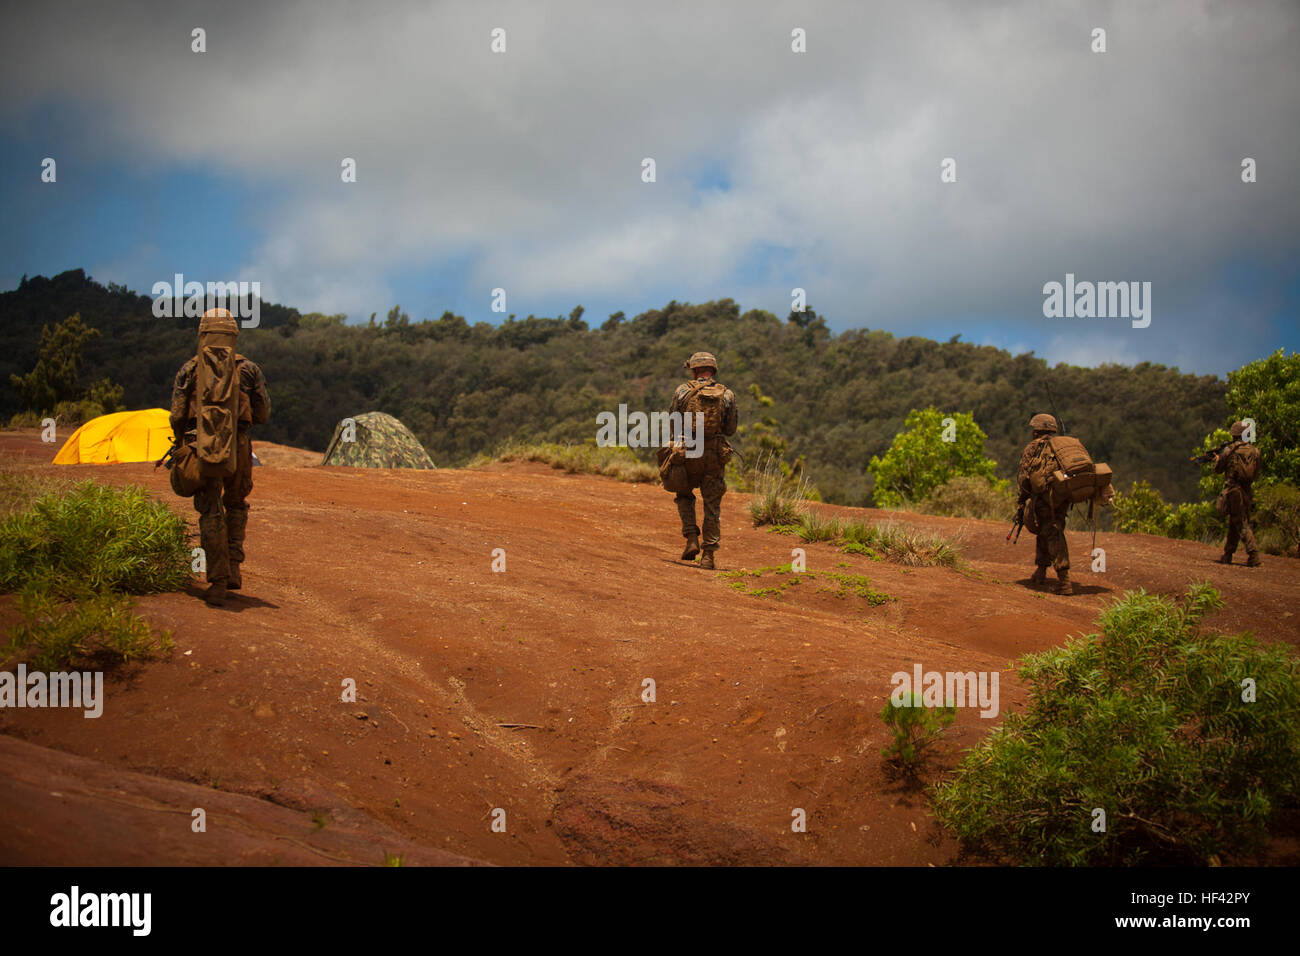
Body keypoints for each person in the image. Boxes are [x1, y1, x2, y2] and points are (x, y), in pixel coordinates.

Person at [169, 308, 271, 605]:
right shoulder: (250, 369)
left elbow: (177, 415)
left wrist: (182, 443)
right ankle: (235, 566)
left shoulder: (189, 369)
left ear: (201, 334)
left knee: (211, 510)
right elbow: (263, 413)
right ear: (234, 336)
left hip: (202, 446)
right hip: (239, 447)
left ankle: (218, 580)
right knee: (236, 503)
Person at [669, 351, 737, 570]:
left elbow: (673, 423)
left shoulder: (682, 391)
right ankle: (708, 556)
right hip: (714, 455)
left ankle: (691, 538)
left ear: (694, 370)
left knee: (684, 494)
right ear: (713, 370)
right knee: (712, 505)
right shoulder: (727, 394)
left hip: (688, 450)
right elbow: (730, 429)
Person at [1016, 412, 1074, 595]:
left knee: (1052, 533)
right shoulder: (1062, 449)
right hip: (1062, 498)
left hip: (1043, 499)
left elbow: (1025, 478)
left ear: (1036, 431)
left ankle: (1064, 581)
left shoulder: (1033, 448)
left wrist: (1022, 500)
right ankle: (1041, 571)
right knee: (1047, 530)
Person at [1214, 420, 1262, 567]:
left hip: (1234, 490)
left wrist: (1217, 459)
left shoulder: (1230, 450)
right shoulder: (1255, 451)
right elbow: (1257, 471)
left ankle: (1253, 554)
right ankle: (1228, 554)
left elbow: (1218, 469)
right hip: (1247, 490)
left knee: (1240, 522)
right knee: (1236, 520)